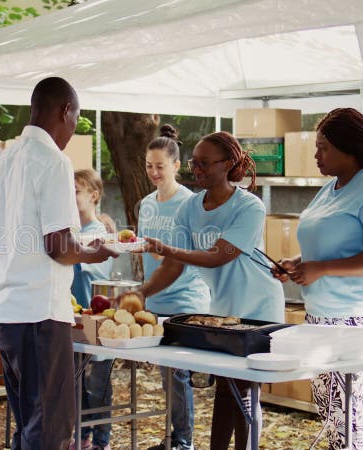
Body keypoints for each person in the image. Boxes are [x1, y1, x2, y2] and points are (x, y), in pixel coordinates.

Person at [0, 76, 117, 450]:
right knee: (52, 432)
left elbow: (3, 239)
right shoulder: (55, 161)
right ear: (66, 111)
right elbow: (59, 246)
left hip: (5, 311)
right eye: (75, 120)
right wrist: (99, 250)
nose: (72, 130)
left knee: (29, 423)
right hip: (39, 313)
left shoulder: (2, 161)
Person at [136, 131, 285, 450]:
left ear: (228, 164)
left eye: (204, 163)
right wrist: (141, 293)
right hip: (224, 310)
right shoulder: (190, 207)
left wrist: (170, 249)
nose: (197, 169)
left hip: (258, 307)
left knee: (244, 389)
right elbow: (173, 266)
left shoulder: (249, 207)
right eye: (194, 163)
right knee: (225, 388)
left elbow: (219, 255)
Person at [272, 108, 363, 450]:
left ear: (348, 148)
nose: (316, 154)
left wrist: (321, 269)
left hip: (359, 316)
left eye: (323, 147)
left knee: (350, 411)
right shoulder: (330, 188)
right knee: (330, 407)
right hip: (322, 314)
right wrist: (297, 264)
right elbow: (328, 246)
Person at [138, 124, 210, 450]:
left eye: (160, 166)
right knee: (168, 376)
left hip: (185, 297)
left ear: (177, 166)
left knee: (177, 374)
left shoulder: (190, 203)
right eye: (149, 166)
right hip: (156, 298)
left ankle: (183, 442)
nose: (154, 172)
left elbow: (196, 253)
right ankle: (173, 438)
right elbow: (146, 248)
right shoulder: (146, 204)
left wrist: (159, 251)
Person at [71, 169, 115, 450]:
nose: (70, 197)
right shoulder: (74, 231)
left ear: (94, 196)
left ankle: (101, 440)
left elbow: (87, 263)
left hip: (97, 319)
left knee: (98, 384)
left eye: (75, 191)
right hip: (75, 317)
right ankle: (83, 435)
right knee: (77, 380)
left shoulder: (99, 234)